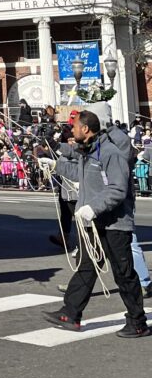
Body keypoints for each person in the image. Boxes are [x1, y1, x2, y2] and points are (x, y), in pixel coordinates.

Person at [43, 109, 149, 338]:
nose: (71, 130)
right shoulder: (90, 152)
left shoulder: (110, 153)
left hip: (115, 224)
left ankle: (137, 322)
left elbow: (118, 189)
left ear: (86, 129)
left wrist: (93, 208)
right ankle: (70, 314)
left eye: (75, 126)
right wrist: (54, 165)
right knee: (86, 267)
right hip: (94, 222)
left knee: (124, 274)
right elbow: (79, 174)